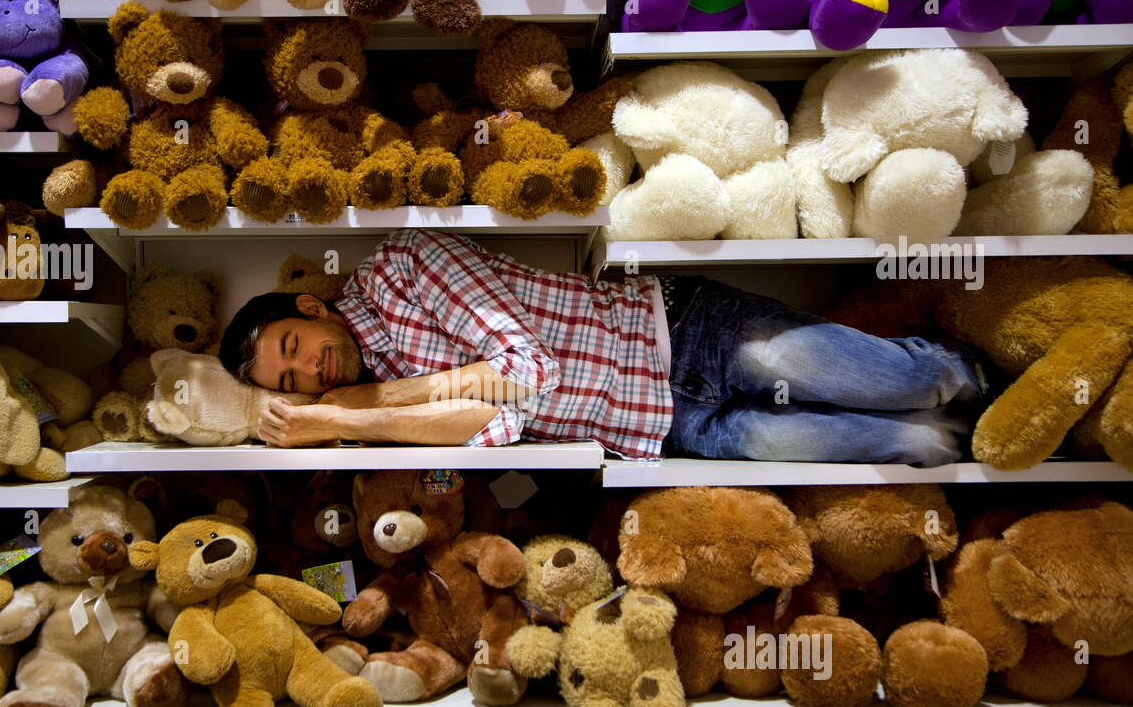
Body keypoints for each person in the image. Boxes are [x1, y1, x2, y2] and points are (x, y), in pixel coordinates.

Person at [219, 229, 984, 465]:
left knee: (906, 384)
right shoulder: (367, 407)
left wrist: (370, 405)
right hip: (660, 429)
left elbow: (525, 376)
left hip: (683, 332)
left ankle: (979, 371)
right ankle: (1002, 441)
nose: (308, 370)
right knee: (917, 442)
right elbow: (500, 425)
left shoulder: (403, 265)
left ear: (313, 306)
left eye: (295, 343)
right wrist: (352, 420)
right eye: (291, 378)